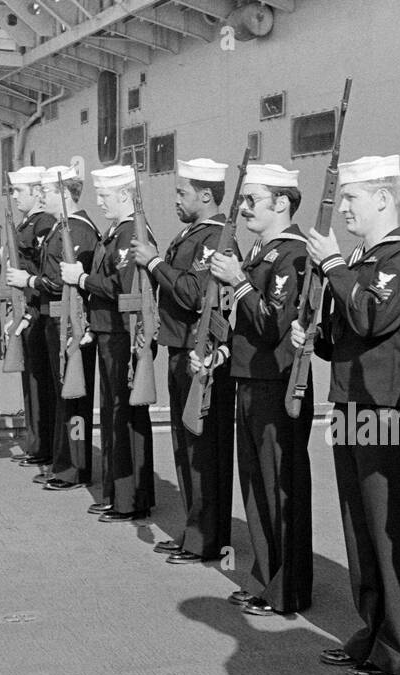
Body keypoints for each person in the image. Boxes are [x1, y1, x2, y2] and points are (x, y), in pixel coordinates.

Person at [300, 155, 400, 675]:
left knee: (386, 526)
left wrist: (332, 268)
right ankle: (372, 630)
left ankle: (399, 645)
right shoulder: (363, 259)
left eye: (352, 198)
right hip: (352, 404)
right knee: (359, 527)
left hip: (383, 410)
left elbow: (372, 315)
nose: (344, 208)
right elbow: (347, 333)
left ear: (383, 198)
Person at [209, 163, 314, 616]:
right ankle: (266, 575)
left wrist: (238, 281)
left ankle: (288, 587)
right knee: (256, 487)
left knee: (280, 488)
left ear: (282, 203)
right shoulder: (260, 253)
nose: (245, 207)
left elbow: (274, 324)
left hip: (278, 386)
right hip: (250, 380)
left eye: (253, 200)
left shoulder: (293, 255)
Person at [132, 158, 236, 565]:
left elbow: (194, 293)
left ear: (206, 196)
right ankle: (195, 533)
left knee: (202, 451)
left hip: (200, 357)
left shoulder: (213, 239)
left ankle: (206, 539)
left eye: (182, 192)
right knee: (185, 447)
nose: (176, 199)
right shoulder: (192, 235)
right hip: (181, 351)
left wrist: (155, 263)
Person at [61, 164, 157, 521]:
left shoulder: (132, 232)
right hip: (108, 331)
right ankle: (118, 493)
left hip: (123, 334)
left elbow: (122, 287)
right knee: (113, 414)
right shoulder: (117, 231)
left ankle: (132, 499)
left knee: (125, 415)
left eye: (104, 196)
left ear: (124, 195)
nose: (98, 201)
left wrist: (82, 278)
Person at [35, 164, 99, 492]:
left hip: (71, 325)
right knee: (64, 397)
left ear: (62, 193)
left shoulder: (79, 229)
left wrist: (32, 280)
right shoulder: (62, 227)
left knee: (74, 400)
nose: (38, 196)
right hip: (57, 321)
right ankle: (63, 461)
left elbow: (68, 279)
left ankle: (75, 467)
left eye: (44, 191)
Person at [0, 166, 55, 472]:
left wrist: (27, 306)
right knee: (31, 384)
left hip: (37, 311)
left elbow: (43, 272)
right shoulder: (28, 224)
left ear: (37, 193)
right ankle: (37, 443)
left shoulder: (44, 225)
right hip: (25, 309)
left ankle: (44, 446)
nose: (15, 196)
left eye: (20, 191)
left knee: (41, 384)